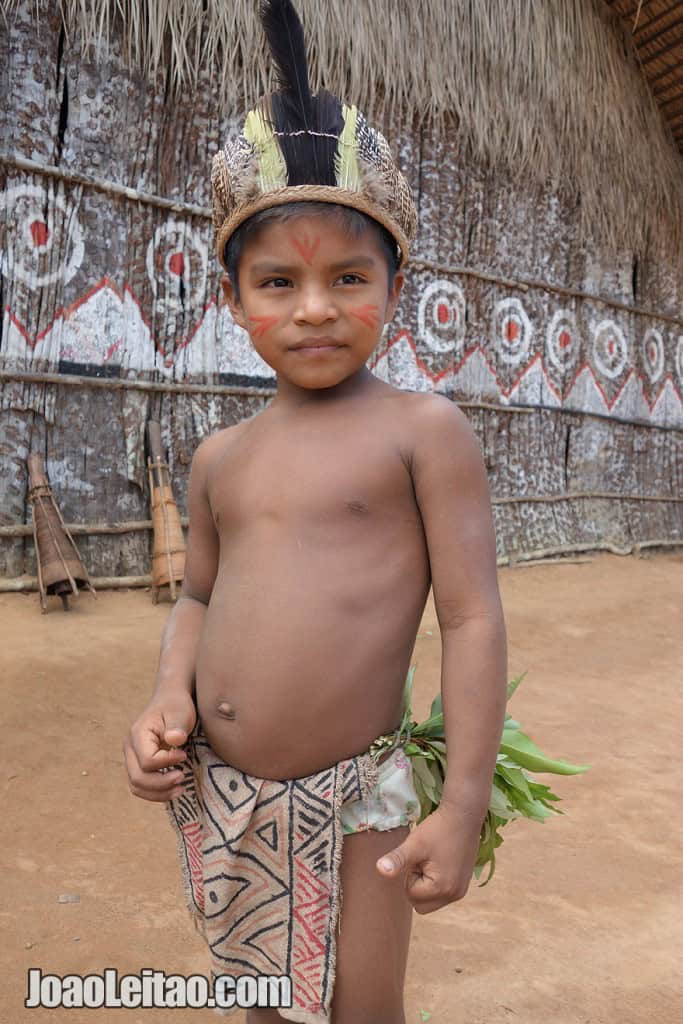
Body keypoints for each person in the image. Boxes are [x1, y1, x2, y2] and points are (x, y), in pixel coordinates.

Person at [123, 2, 507, 1022]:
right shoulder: (220, 457)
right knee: (257, 998)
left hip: (360, 795)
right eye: (276, 281)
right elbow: (198, 596)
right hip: (227, 795)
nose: (312, 308)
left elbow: (470, 619)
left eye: (347, 277)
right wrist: (169, 700)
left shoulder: (421, 433)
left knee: (358, 1006)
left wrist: (461, 802)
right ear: (232, 297)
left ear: (394, 283)